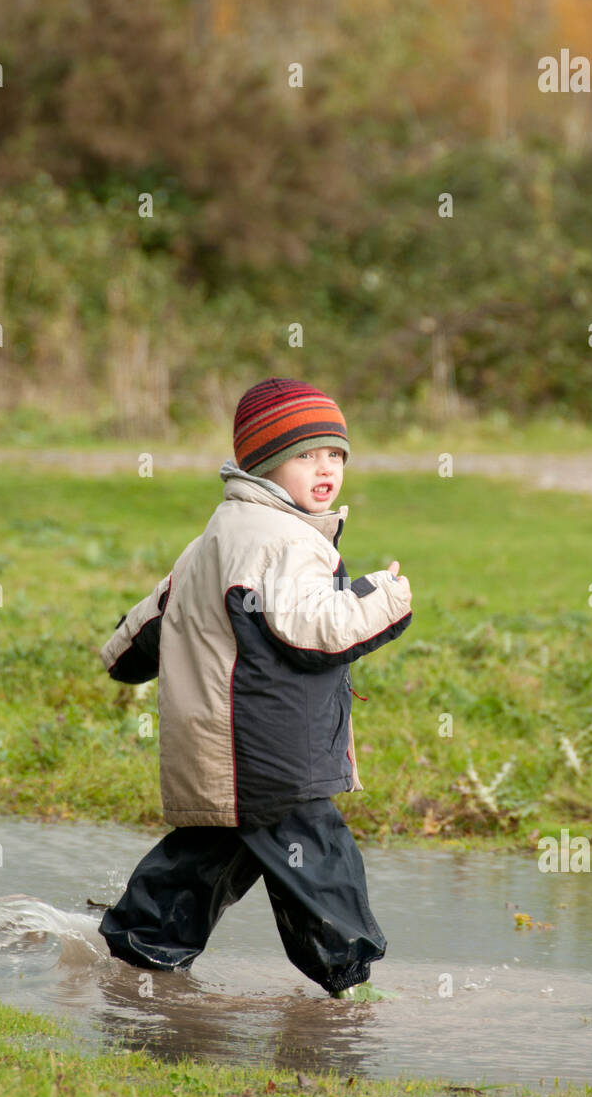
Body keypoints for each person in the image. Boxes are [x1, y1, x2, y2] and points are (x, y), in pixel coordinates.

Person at [97, 378, 413, 1001]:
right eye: (306, 455)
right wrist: (385, 597)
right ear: (266, 463)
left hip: (220, 754)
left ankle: (137, 956)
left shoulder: (219, 532)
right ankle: (350, 994)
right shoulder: (286, 539)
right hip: (268, 753)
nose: (326, 469)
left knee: (207, 854)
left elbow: (158, 615)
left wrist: (120, 657)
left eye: (336, 455)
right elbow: (310, 630)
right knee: (318, 860)